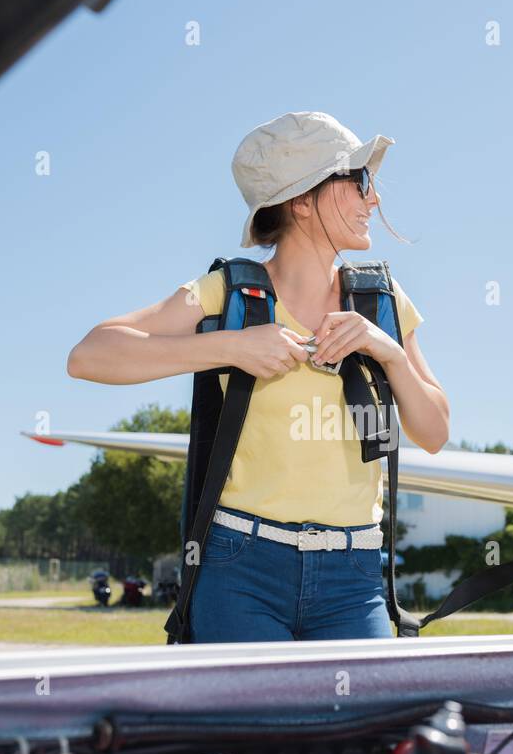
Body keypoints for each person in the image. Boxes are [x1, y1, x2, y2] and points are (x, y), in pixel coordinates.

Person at [67, 111, 449, 643]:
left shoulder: (382, 300)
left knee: (358, 729)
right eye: (359, 181)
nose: (374, 199)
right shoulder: (227, 291)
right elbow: (88, 355)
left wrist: (387, 352)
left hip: (354, 575)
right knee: (250, 729)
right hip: (238, 568)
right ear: (301, 199)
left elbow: (434, 432)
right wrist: (230, 346)